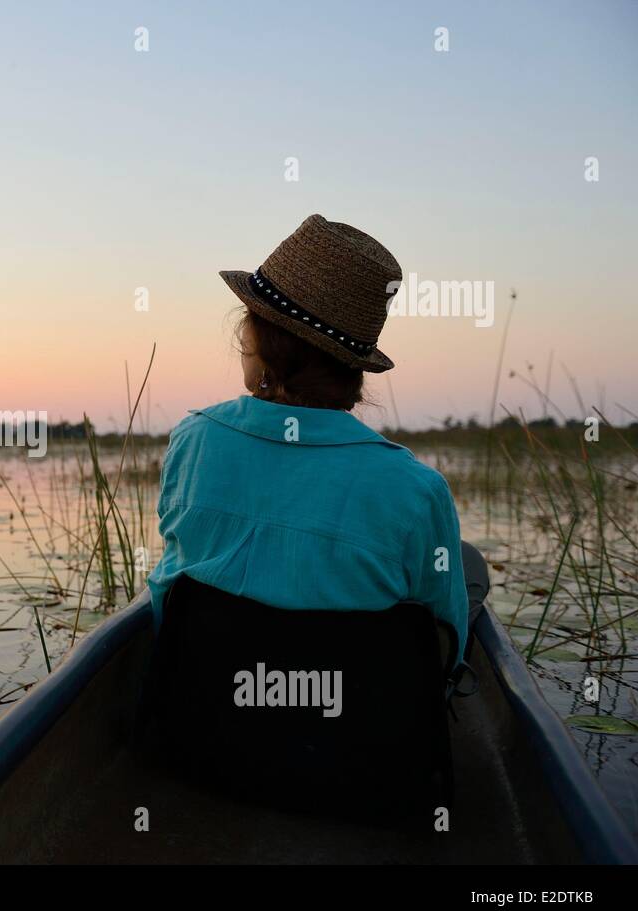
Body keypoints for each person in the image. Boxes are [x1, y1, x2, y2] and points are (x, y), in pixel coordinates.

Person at [146, 214, 478, 662]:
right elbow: (446, 646)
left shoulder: (193, 440)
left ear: (264, 341)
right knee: (469, 568)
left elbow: (168, 588)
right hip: (355, 725)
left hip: (202, 710)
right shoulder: (418, 491)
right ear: (351, 366)